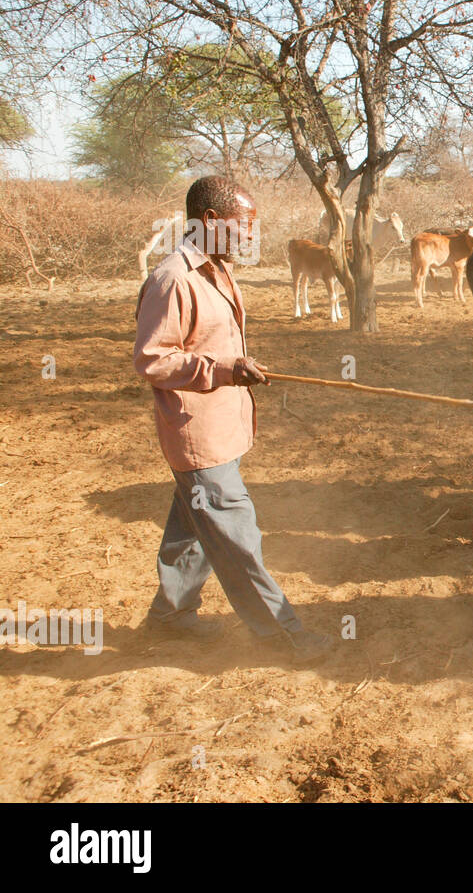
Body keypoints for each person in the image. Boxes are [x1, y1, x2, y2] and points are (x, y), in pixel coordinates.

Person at [134, 175, 333, 665]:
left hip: (219, 426)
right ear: (210, 222)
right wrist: (221, 369)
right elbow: (152, 360)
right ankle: (284, 635)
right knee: (235, 536)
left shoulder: (215, 269)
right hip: (197, 432)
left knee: (194, 526)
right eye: (244, 225)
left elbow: (204, 341)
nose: (250, 235)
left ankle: (170, 616)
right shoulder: (173, 279)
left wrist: (232, 363)